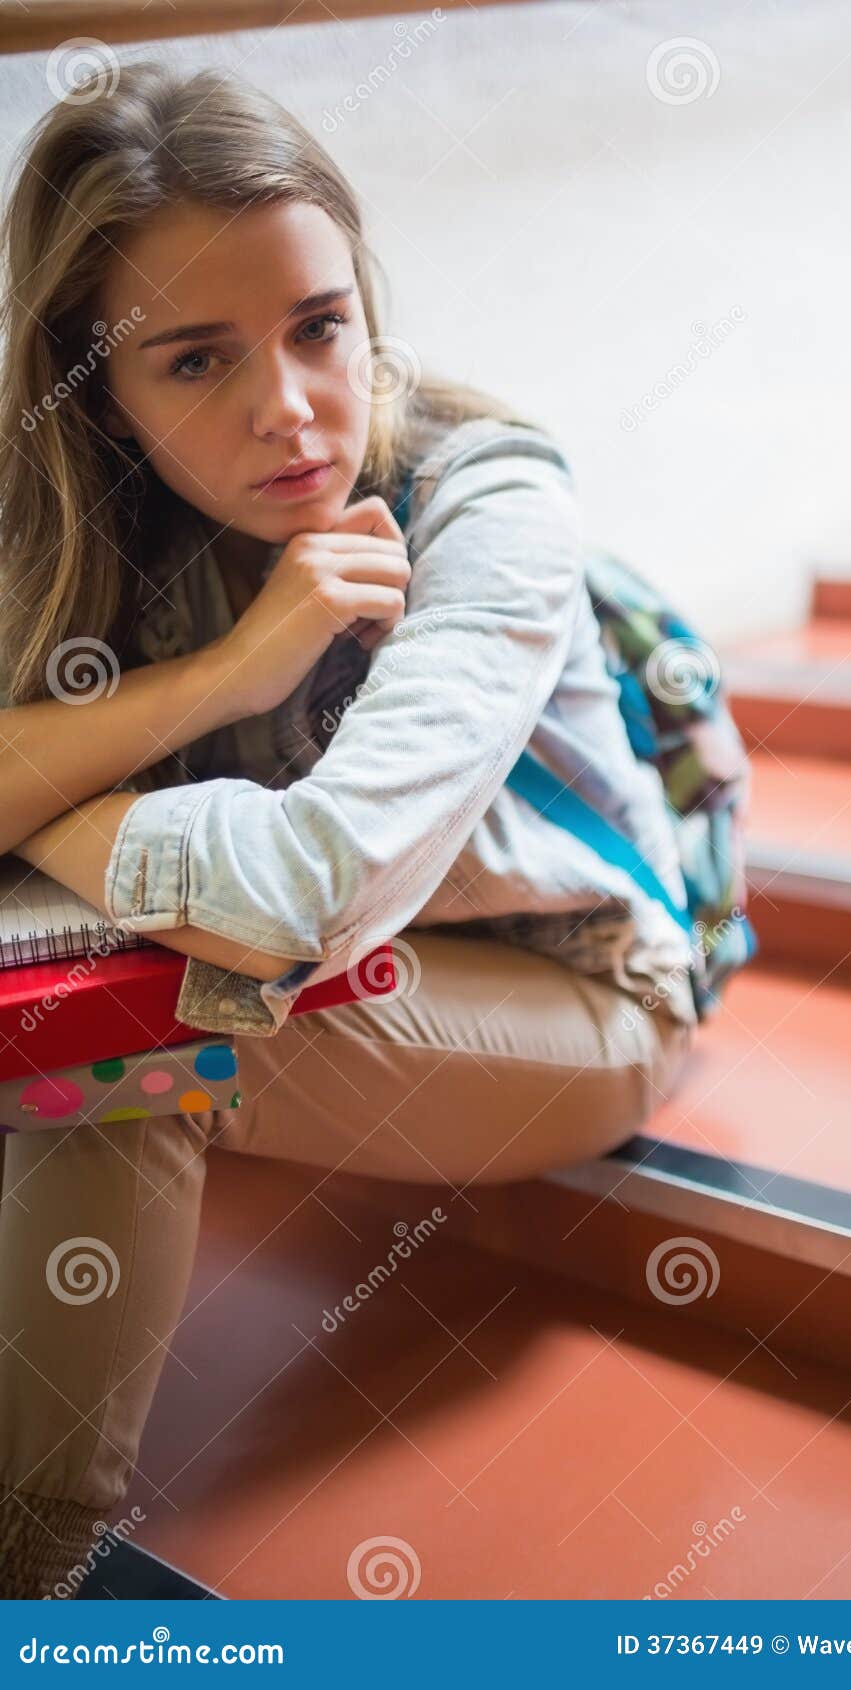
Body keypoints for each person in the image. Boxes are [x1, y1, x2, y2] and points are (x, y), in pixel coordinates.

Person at [0, 62, 697, 1599]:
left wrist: (44, 802)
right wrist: (227, 676)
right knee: (93, 1012)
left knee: (111, 1047)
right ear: (96, 388)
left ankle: (18, 1573)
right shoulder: (78, 522)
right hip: (306, 978)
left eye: (320, 326)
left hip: (571, 988)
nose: (290, 409)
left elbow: (294, 903)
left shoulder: (484, 499)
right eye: (196, 359)